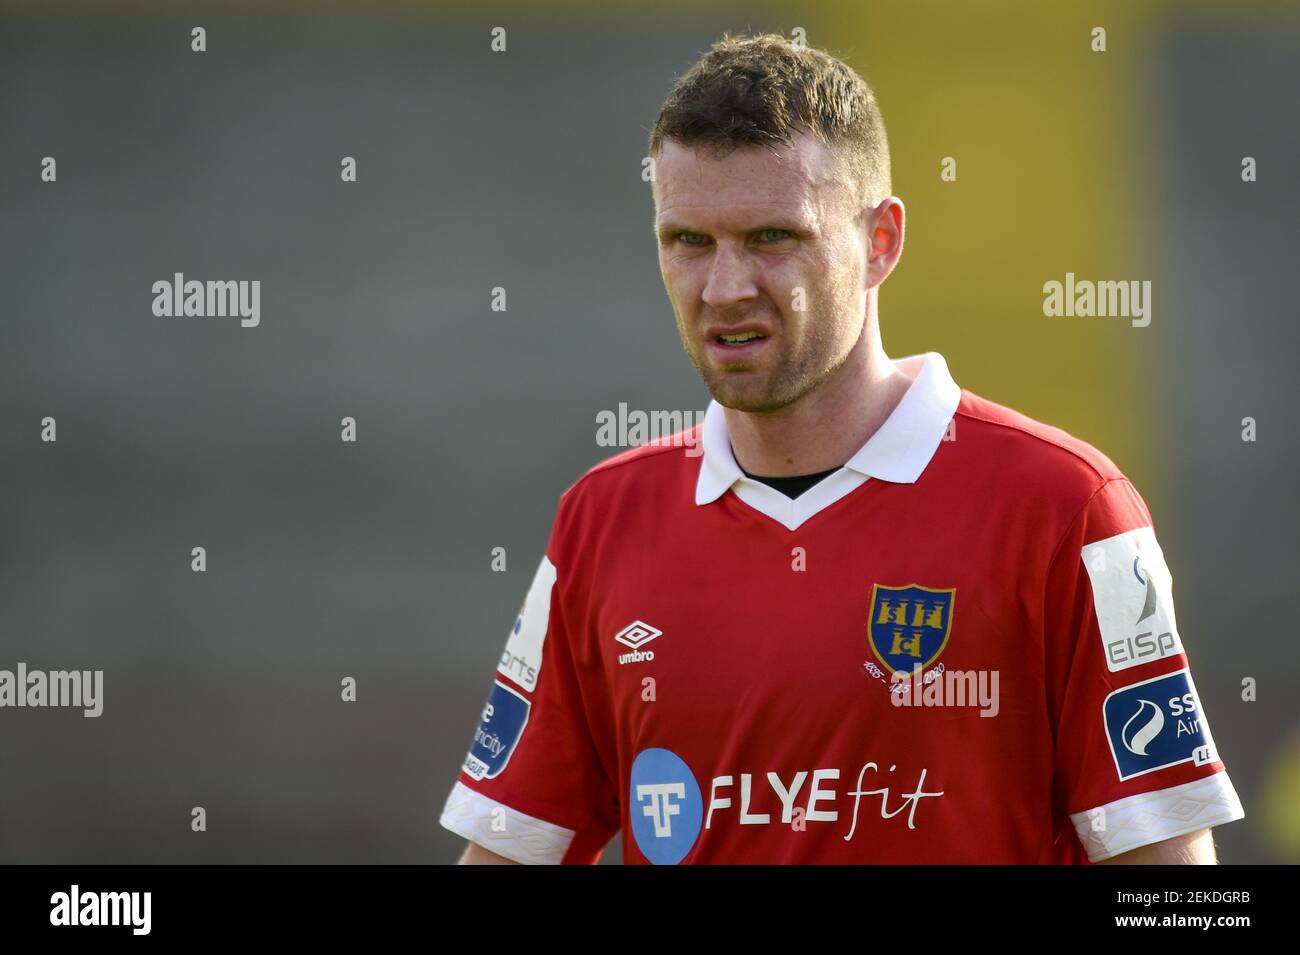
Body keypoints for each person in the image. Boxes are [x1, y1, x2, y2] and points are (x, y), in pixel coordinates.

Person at [439, 32, 1244, 864]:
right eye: (688, 241)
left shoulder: (1072, 507)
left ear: (881, 242)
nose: (724, 288)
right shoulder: (601, 521)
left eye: (772, 237)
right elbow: (508, 851)